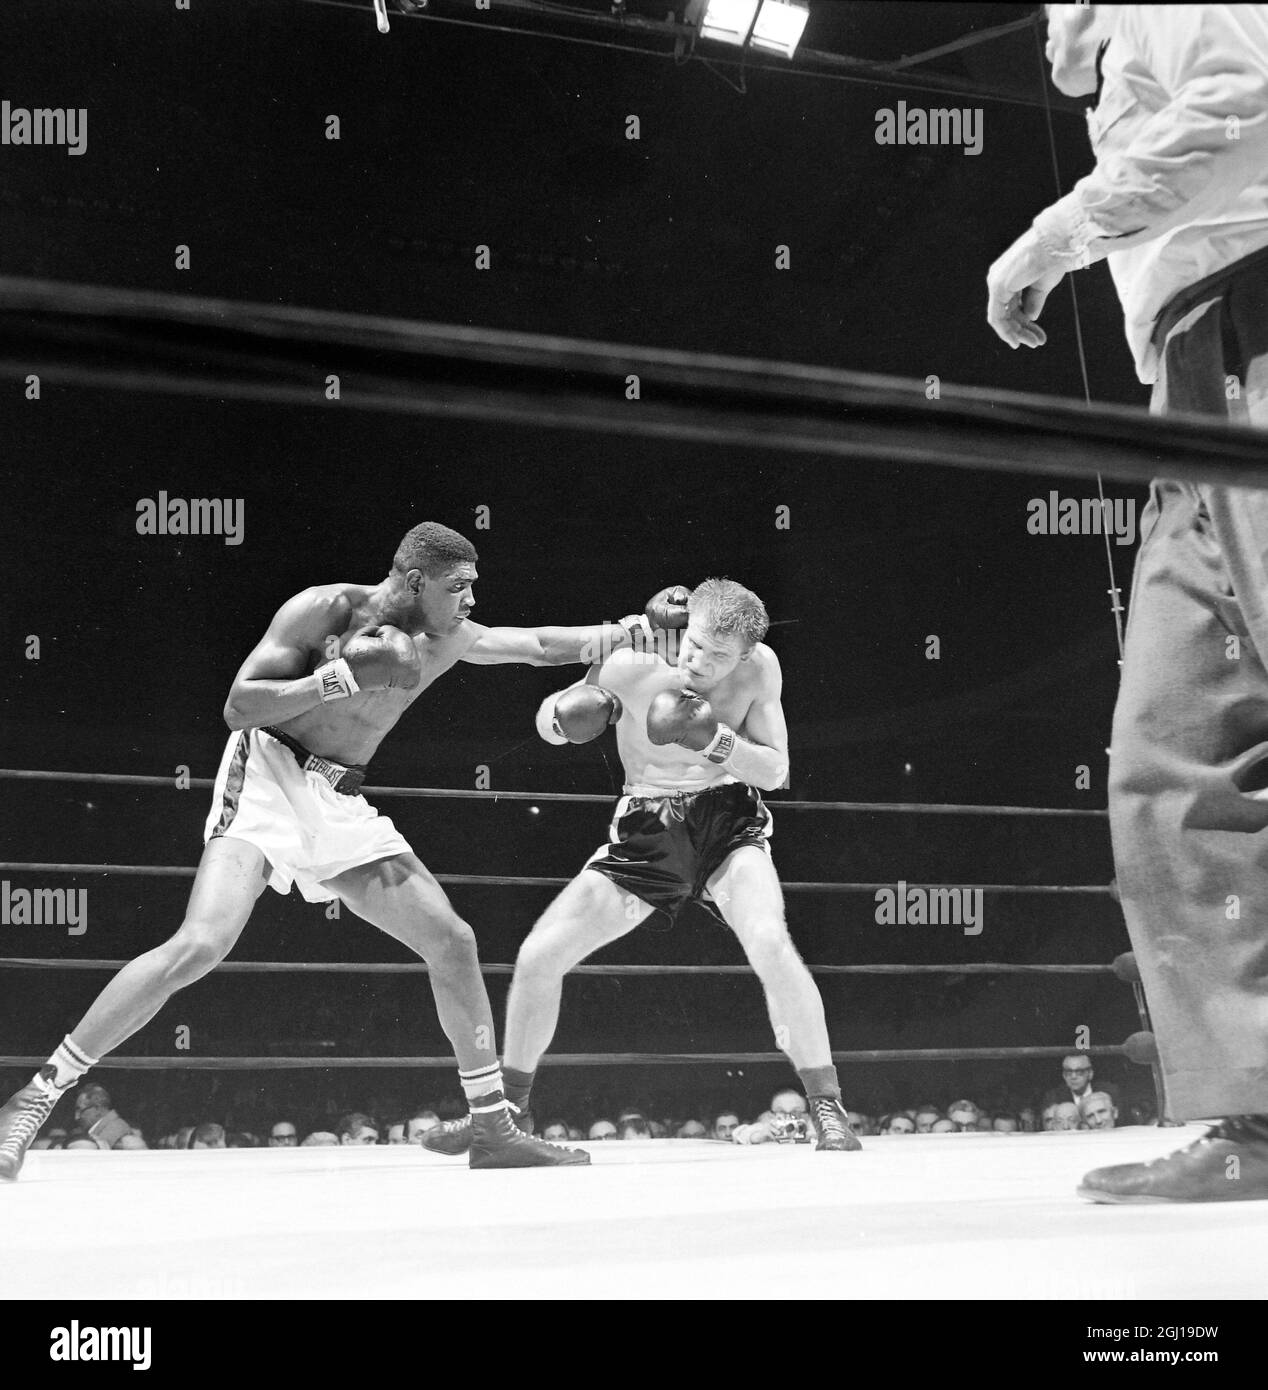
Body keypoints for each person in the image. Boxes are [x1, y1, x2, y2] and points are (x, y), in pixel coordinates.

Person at [0, 521, 680, 1179]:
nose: (471, 600)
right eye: (459, 586)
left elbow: (535, 643)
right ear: (415, 581)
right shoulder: (323, 610)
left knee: (452, 940)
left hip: (340, 802)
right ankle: (38, 1095)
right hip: (267, 775)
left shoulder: (452, 636)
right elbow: (240, 706)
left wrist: (623, 633)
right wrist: (342, 679)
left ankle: (492, 1125)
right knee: (201, 943)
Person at [988, 5, 1268, 1202]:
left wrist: (1054, 238)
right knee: (1169, 747)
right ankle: (1255, 1118)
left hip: (1257, 312)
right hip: (1189, 365)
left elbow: (1246, 113)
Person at [424, 579, 859, 1157]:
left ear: (747, 655)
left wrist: (715, 741)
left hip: (726, 822)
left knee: (769, 942)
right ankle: (507, 1118)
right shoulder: (630, 653)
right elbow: (547, 723)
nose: (699, 662)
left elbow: (775, 771)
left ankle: (828, 1109)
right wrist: (565, 718)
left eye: (719, 657)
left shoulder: (761, 670)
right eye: (696, 644)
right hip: (646, 829)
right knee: (538, 957)